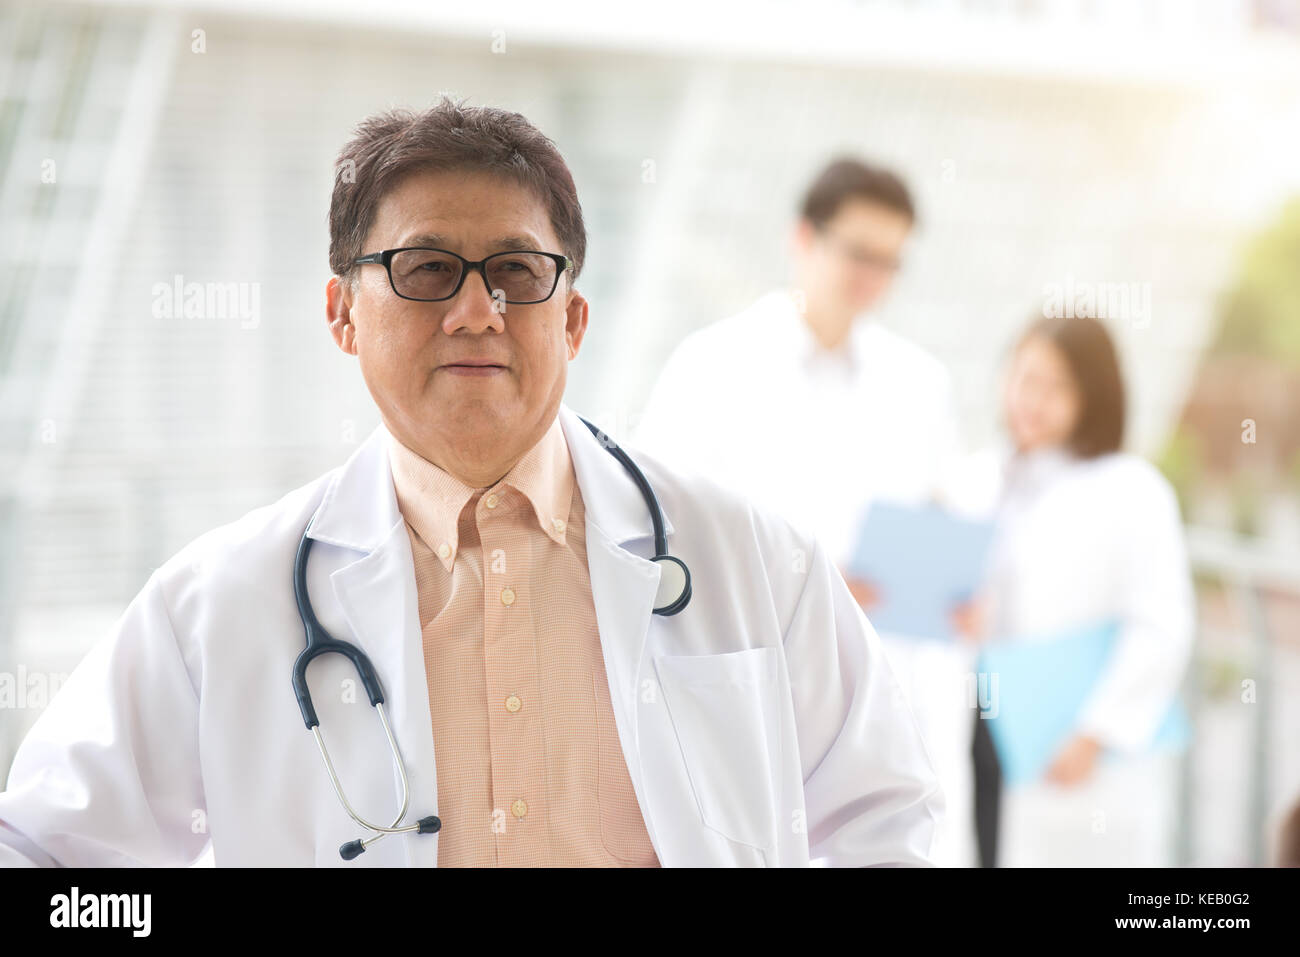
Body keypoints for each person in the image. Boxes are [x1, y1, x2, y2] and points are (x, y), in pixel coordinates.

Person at [0, 98, 942, 867]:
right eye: (427, 270)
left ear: (571, 320)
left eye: (517, 274)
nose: (476, 311)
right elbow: (47, 850)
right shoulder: (215, 607)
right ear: (342, 314)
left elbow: (883, 817)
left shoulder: (754, 562)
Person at [633, 157, 976, 865]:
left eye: (889, 260)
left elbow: (945, 536)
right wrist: (813, 588)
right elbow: (650, 546)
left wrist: (955, 591)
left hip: (892, 702)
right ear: (803, 237)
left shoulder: (920, 386)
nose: (870, 276)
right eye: (857, 251)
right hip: (757, 706)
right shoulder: (712, 366)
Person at [946, 312, 1195, 867]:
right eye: (1024, 379)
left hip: (1072, 745)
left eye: (1056, 386)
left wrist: (1095, 733)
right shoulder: (978, 479)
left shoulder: (1133, 489)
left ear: (1095, 396)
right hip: (979, 728)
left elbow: (1161, 624)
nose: (1031, 400)